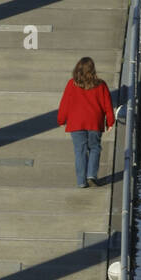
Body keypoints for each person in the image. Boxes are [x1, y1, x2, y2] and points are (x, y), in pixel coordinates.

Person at [56, 57, 115, 188]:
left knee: (80, 151)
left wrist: (61, 119)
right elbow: (107, 105)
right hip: (95, 122)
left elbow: (64, 104)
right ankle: (91, 175)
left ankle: (81, 181)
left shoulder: (72, 84)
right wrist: (110, 122)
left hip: (76, 123)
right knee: (94, 148)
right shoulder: (101, 85)